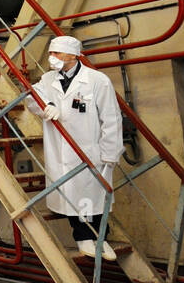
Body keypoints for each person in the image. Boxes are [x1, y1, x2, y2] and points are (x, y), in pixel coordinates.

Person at [25, 34, 123, 260]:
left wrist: (110, 151)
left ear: (73, 55)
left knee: (96, 195)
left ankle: (100, 238)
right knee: (71, 195)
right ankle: (82, 237)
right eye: (51, 53)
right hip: (61, 150)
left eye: (57, 53)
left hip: (92, 149)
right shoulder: (49, 79)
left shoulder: (97, 80)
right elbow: (32, 96)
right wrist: (46, 107)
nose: (52, 57)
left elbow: (111, 118)